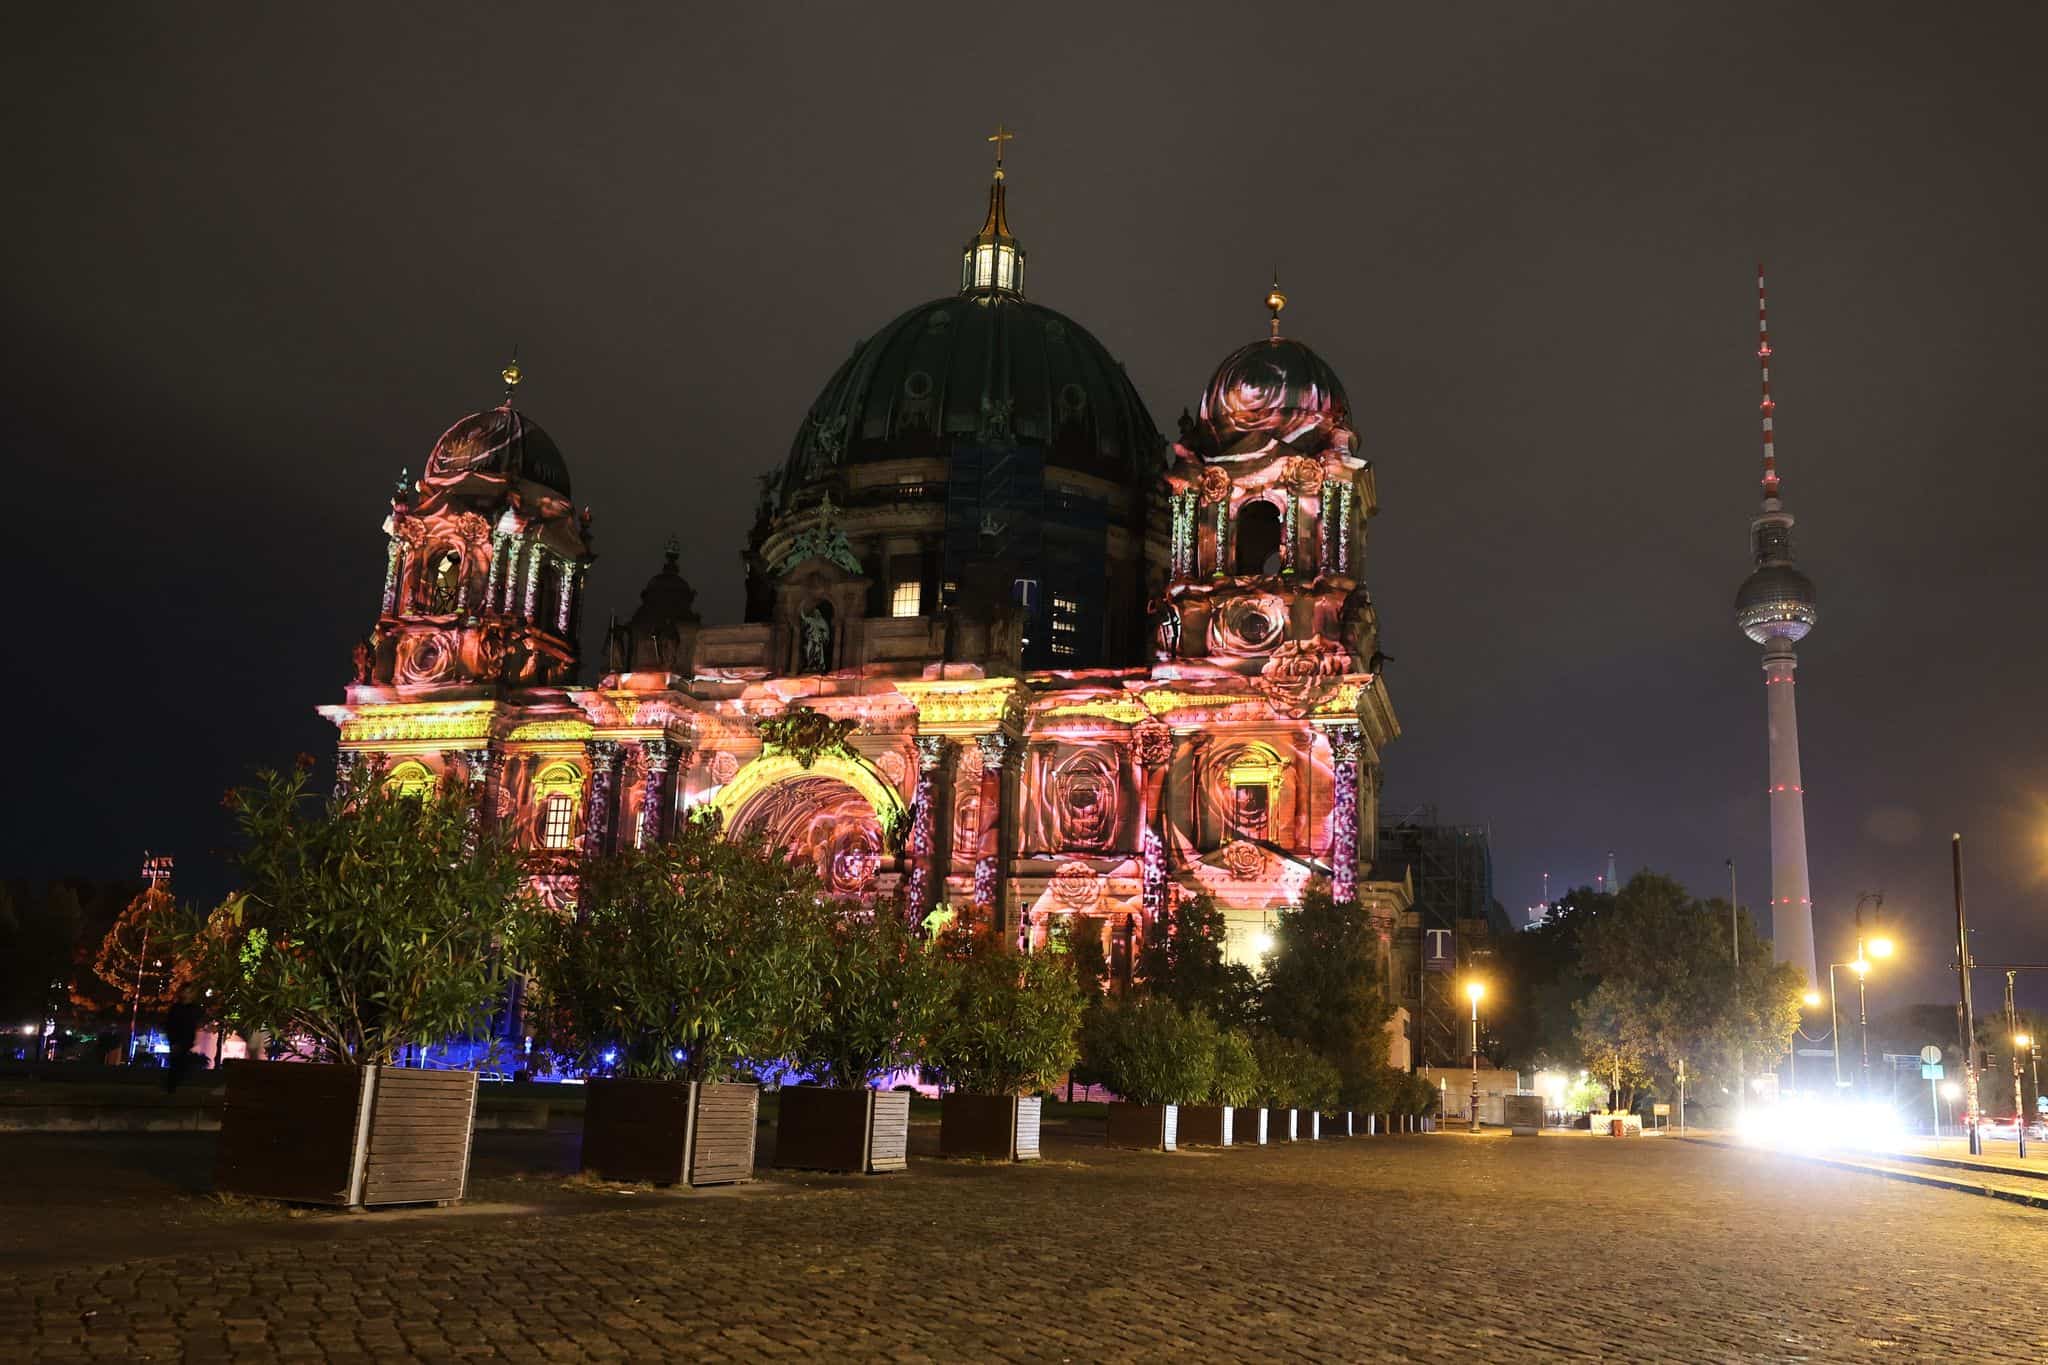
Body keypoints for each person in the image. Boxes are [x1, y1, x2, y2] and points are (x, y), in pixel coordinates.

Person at [162, 990, 202, 1092]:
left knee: (180, 1063)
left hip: (186, 1040)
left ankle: (173, 1085)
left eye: (190, 992)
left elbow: (194, 1023)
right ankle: (172, 1086)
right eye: (187, 992)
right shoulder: (177, 1008)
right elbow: (170, 1024)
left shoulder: (193, 1008)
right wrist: (173, 1040)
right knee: (176, 1063)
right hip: (177, 1039)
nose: (189, 994)